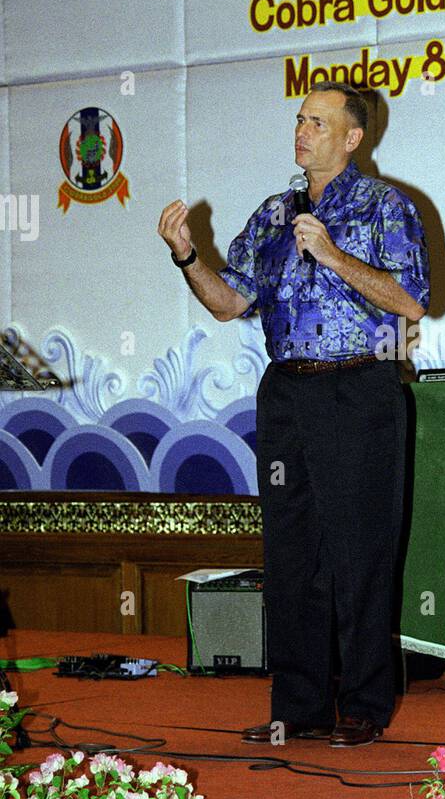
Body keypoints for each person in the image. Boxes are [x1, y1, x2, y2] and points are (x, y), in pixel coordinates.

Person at [157, 83, 429, 747]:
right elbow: (229, 304)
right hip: (287, 394)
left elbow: (411, 301)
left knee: (360, 553)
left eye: (317, 122)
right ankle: (298, 705)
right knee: (290, 555)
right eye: (299, 120)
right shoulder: (275, 212)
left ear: (352, 137)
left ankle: (364, 705)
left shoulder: (383, 205)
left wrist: (334, 254)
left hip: (360, 388)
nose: (302, 131)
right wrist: (187, 256)